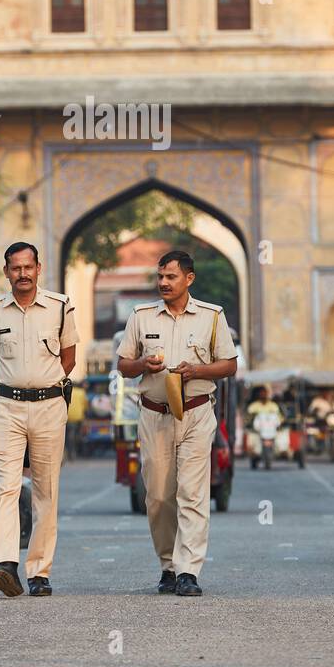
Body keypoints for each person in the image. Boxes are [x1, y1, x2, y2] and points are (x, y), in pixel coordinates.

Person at [118, 249, 237, 597]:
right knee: (157, 495)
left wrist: (197, 370)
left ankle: (188, 571)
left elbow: (229, 366)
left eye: (171, 277)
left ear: (189, 278)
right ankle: (167, 564)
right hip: (154, 413)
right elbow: (123, 365)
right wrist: (142, 364)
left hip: (197, 413)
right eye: (160, 277)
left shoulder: (212, 317)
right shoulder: (140, 316)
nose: (164, 283)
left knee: (192, 493)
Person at [0, 241, 78, 598]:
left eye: (28, 267)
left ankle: (39, 571)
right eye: (15, 268)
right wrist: (17, 383)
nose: (22, 274)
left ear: (39, 269)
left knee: (45, 491)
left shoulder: (60, 307)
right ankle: (4, 563)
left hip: (50, 406)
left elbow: (69, 358)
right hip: (8, 407)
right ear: (6, 272)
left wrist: (42, 384)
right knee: (6, 486)